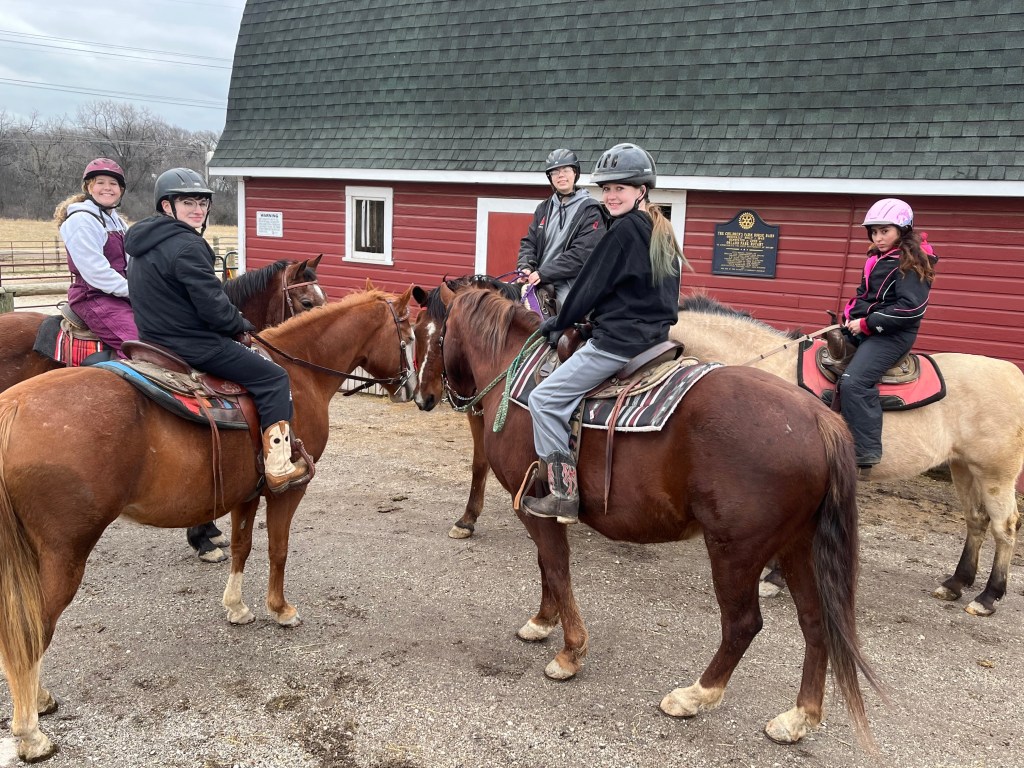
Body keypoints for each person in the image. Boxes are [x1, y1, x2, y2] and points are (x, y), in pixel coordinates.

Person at [521, 143, 682, 524]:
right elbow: (661, 301)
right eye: (606, 188)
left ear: (641, 190)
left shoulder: (624, 231)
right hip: (654, 340)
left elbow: (586, 289)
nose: (610, 196)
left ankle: (563, 494)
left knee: (544, 399)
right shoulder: (659, 229)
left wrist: (556, 323)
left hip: (618, 344)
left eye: (620, 188)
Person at [125, 168, 310, 494]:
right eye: (188, 202)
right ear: (167, 206)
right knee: (274, 377)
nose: (198, 209)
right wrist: (240, 323)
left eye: (202, 202)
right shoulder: (188, 245)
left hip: (152, 341)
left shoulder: (141, 245)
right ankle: (279, 467)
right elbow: (212, 307)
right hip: (192, 344)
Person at [838, 198, 937, 470]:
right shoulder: (876, 258)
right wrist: (849, 316)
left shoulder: (912, 261)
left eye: (885, 231)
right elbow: (864, 295)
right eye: (874, 231)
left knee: (853, 383)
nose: (878, 237)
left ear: (902, 230)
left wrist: (867, 324)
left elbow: (911, 308)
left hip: (892, 336)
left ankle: (865, 450)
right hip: (866, 327)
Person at [53, 157, 138, 358]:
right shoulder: (81, 221)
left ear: (121, 190)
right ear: (89, 188)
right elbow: (97, 273)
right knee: (141, 345)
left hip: (121, 293)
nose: (107, 188)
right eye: (100, 182)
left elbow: (132, 260)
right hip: (94, 296)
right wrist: (136, 290)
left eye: (113, 183)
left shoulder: (118, 222)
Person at [516, 148, 606, 309]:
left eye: (566, 170)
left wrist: (544, 273)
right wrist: (526, 266)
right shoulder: (544, 208)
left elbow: (581, 255)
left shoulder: (590, 210)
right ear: (550, 178)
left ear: (575, 173)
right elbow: (530, 242)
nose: (561, 175)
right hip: (538, 277)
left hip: (569, 281)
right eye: (555, 172)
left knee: (568, 317)